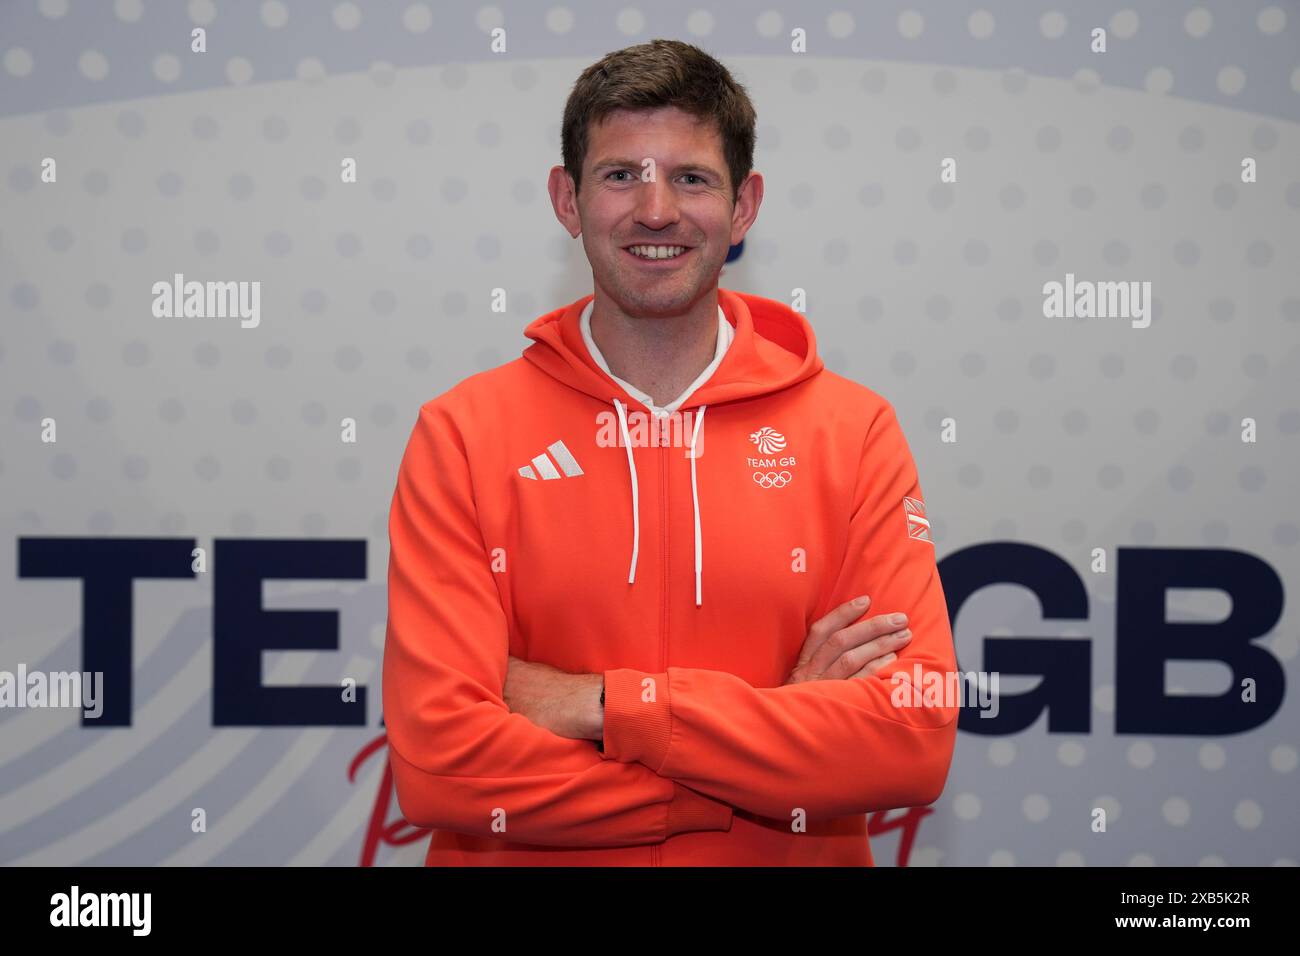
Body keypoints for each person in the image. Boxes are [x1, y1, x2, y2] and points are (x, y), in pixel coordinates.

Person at [382, 39, 958, 866]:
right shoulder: (465, 434)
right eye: (621, 175)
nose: (656, 211)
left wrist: (610, 706)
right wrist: (772, 754)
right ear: (567, 200)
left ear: (746, 204)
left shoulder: (852, 430)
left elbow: (910, 739)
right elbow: (442, 768)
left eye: (691, 178)